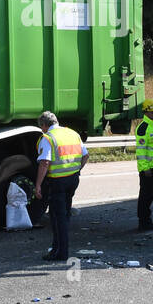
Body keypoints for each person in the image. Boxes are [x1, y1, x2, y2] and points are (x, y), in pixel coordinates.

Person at [34, 111, 88, 262]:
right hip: (72, 179)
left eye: (41, 127)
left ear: (44, 125)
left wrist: (38, 185)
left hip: (57, 182)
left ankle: (61, 252)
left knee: (58, 218)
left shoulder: (48, 138)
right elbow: (86, 155)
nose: (42, 130)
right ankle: (57, 247)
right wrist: (76, 170)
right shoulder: (72, 133)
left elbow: (44, 163)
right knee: (63, 214)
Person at [134, 98, 153, 231]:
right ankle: (144, 222)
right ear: (146, 113)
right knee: (145, 196)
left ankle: (146, 220)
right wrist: (145, 168)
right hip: (148, 169)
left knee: (150, 195)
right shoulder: (144, 128)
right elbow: (141, 151)